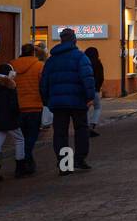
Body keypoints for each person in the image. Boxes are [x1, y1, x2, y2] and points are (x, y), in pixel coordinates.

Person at [39, 28, 97, 174]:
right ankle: (79, 159)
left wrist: (46, 100)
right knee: (81, 130)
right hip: (78, 101)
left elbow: (43, 82)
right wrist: (90, 97)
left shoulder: (51, 61)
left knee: (60, 133)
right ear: (74, 40)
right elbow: (88, 78)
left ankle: (65, 164)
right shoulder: (80, 57)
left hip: (58, 103)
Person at [0, 64, 25, 183]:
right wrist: (17, 115)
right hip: (10, 118)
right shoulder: (10, 86)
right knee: (19, 140)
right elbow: (14, 105)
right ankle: (19, 168)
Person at [9, 43, 44, 176]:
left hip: (18, 106)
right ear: (33, 53)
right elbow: (43, 84)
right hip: (35, 105)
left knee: (21, 136)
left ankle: (24, 160)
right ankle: (26, 157)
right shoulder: (39, 66)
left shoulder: (12, 65)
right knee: (32, 135)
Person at [84, 46, 104, 137]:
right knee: (97, 107)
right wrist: (98, 87)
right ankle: (93, 124)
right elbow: (101, 78)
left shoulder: (84, 64)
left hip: (85, 90)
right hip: (95, 90)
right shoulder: (98, 64)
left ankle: (87, 126)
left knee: (86, 109)